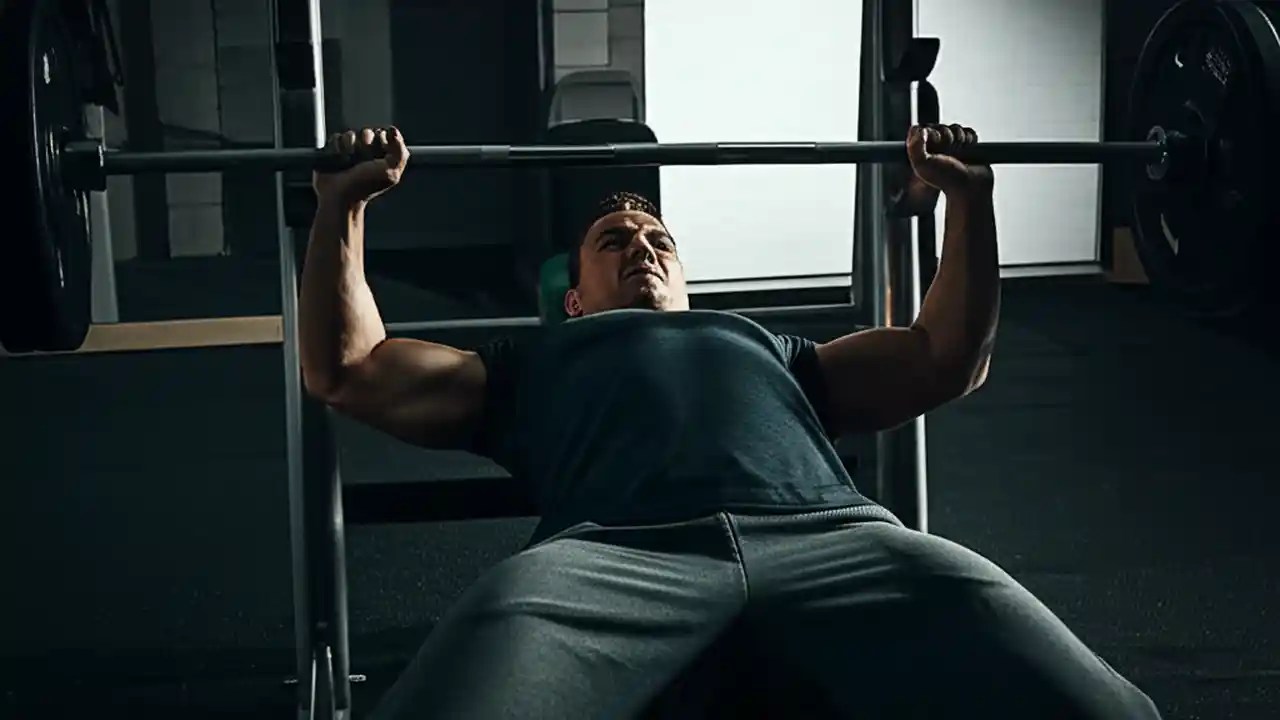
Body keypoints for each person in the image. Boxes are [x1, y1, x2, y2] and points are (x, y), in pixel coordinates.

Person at [300, 125, 1162, 719]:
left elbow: (947, 357)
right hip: (608, 560)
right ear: (572, 299)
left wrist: (968, 200)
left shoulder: (766, 343)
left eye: (657, 240)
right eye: (614, 241)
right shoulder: (533, 359)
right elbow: (350, 369)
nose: (641, 244)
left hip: (837, 542)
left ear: (685, 279)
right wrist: (343, 204)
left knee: (1109, 709)